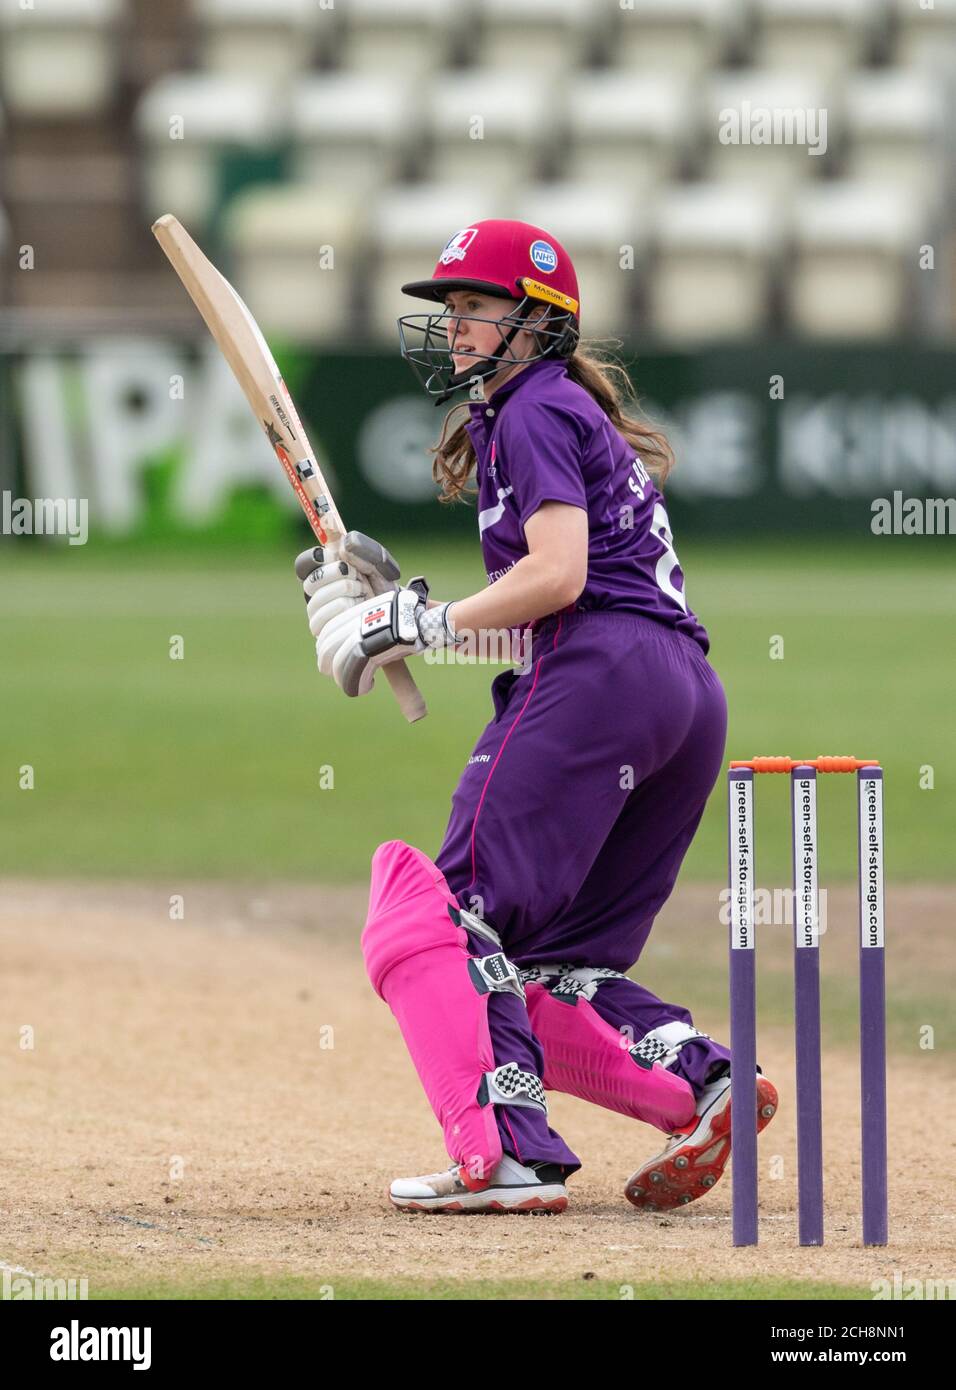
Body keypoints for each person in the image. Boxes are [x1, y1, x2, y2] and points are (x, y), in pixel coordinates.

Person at [297, 220, 777, 1214]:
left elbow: (556, 581)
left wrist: (413, 619)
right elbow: (567, 599)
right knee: (560, 963)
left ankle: (500, 1157)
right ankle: (702, 1077)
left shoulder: (530, 410)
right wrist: (403, 621)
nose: (457, 326)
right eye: (452, 309)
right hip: (679, 694)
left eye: (476, 306)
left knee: (438, 914)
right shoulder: (552, 411)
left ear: (536, 322)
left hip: (599, 678)